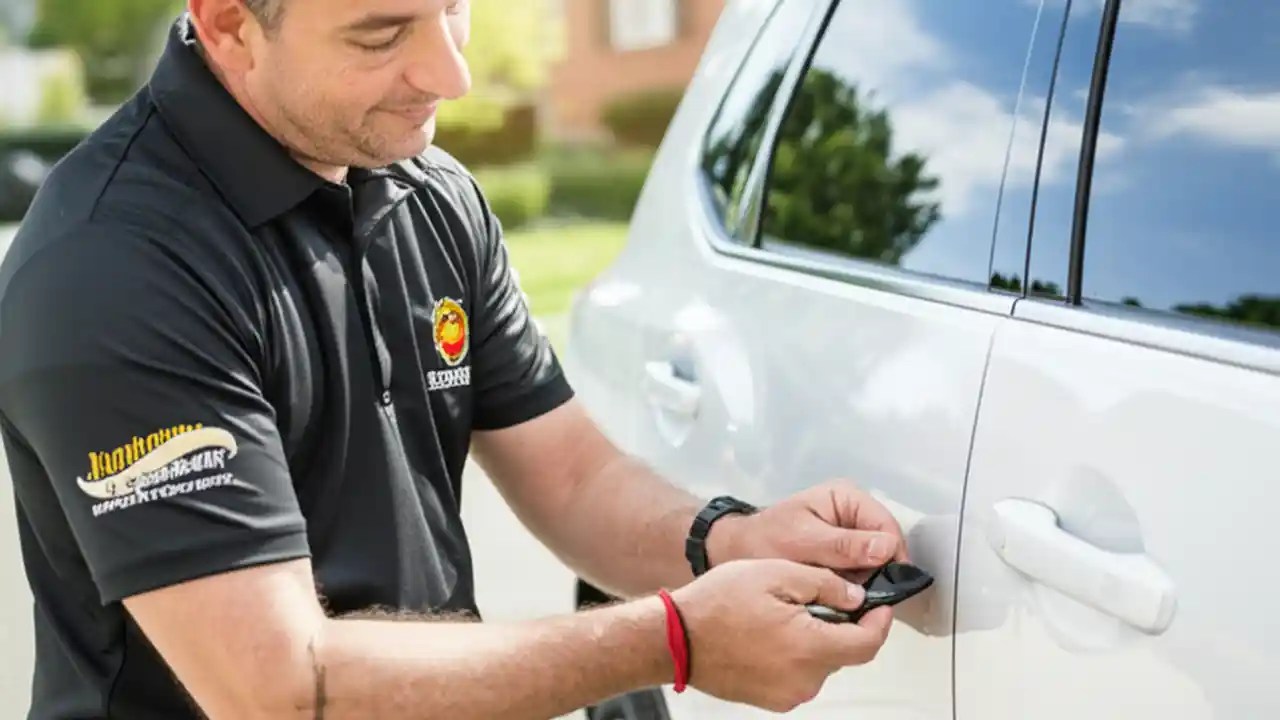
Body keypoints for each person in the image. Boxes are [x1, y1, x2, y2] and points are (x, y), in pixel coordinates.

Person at [0, 1, 911, 717]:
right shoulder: (114, 264)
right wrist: (675, 641)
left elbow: (573, 475)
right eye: (382, 33)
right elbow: (279, 687)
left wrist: (724, 541)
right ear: (231, 24)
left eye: (453, 9)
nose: (453, 73)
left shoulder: (429, 194)